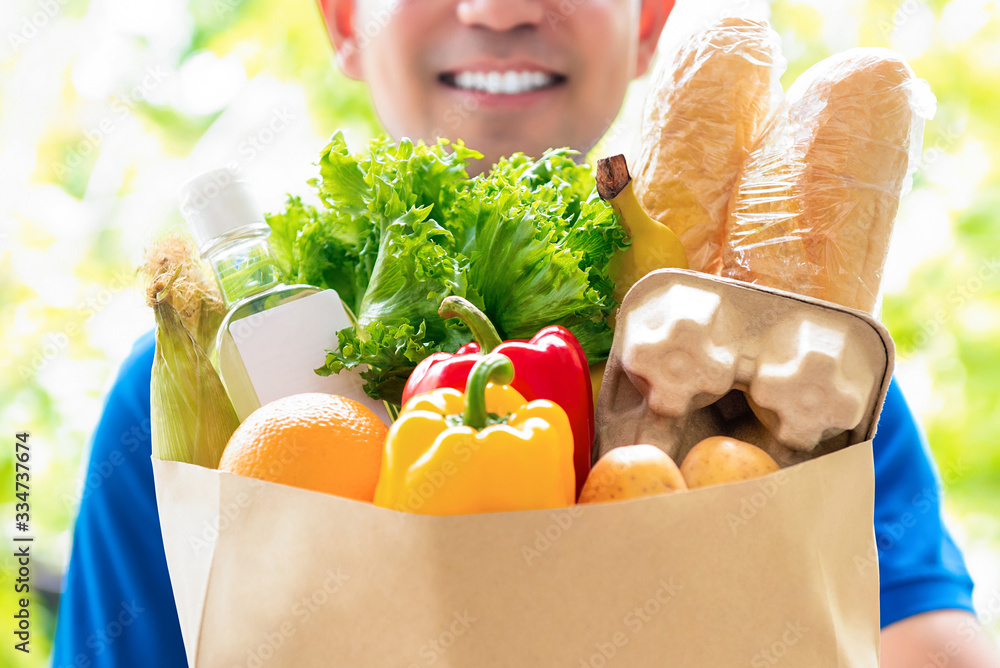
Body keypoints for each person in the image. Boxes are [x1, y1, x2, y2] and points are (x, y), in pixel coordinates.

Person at [53, 1, 999, 666]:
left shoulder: (786, 377)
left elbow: (931, 643)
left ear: (647, 18)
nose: (500, 6)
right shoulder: (199, 394)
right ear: (345, 19)